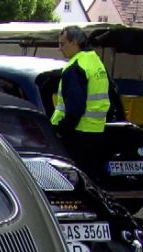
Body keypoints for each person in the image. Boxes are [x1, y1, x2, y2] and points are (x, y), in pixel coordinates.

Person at [51, 24, 110, 180]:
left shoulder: (75, 67)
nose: (59, 48)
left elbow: (75, 108)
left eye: (62, 44)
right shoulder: (95, 62)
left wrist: (62, 131)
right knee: (90, 181)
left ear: (74, 42)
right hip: (96, 131)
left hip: (78, 134)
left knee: (76, 182)